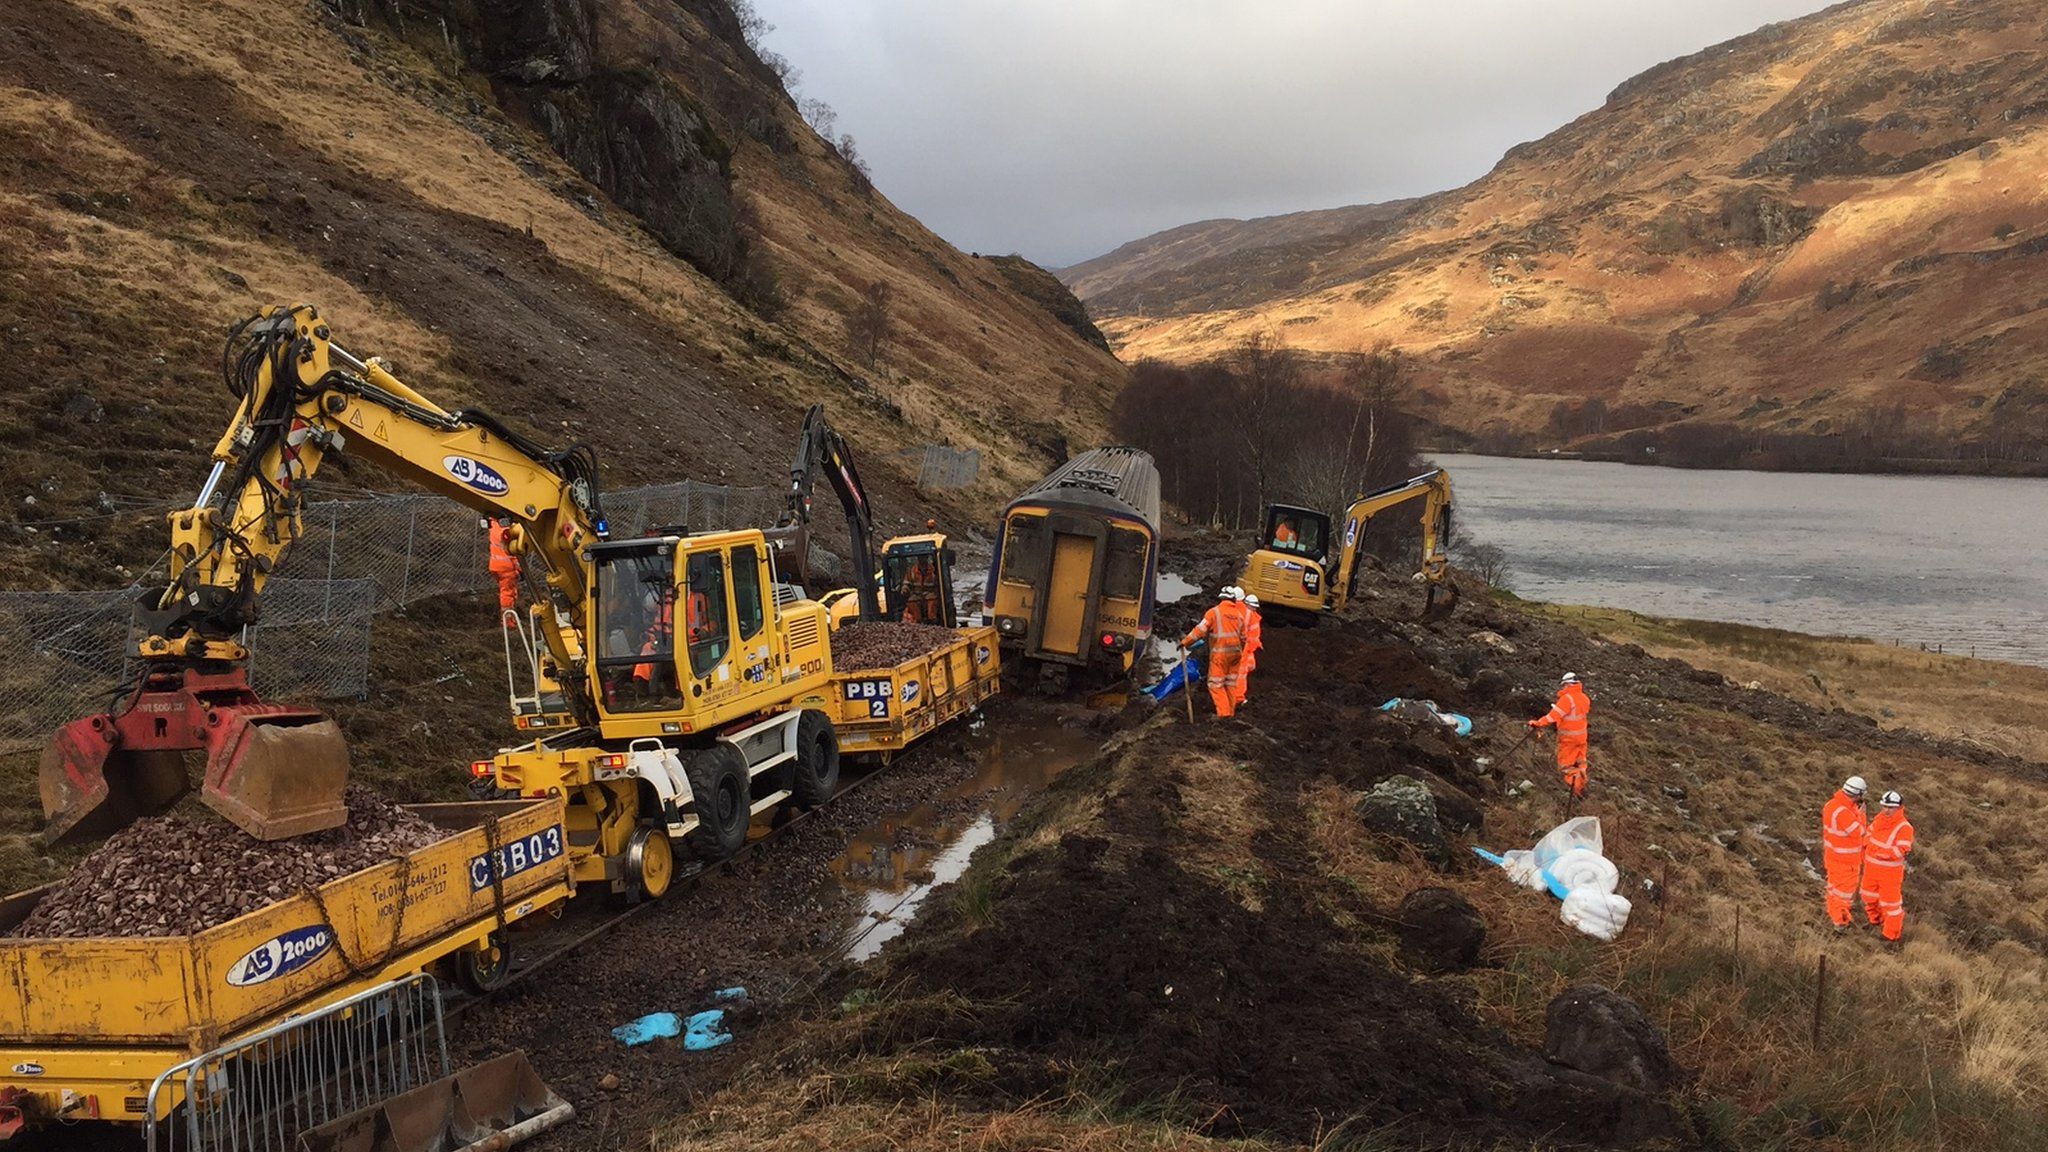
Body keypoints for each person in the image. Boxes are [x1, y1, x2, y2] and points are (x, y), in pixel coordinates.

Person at [1182, 586, 1251, 718]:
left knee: (1216, 685)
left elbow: (1200, 630)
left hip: (1220, 654)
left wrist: (1185, 642)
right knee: (1230, 684)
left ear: (1221, 598)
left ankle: (1224, 715)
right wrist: (1238, 651)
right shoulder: (1239, 616)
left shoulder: (1214, 612)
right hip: (1236, 655)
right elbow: (1244, 638)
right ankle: (1230, 714)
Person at [1861, 790, 1916, 942]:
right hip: (1871, 870)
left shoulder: (1904, 827)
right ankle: (1875, 921)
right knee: (1868, 896)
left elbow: (1901, 850)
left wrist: (1879, 852)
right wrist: (1873, 848)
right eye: (1884, 806)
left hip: (1889, 874)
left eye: (1890, 807)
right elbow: (1867, 837)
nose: (1886, 810)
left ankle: (1890, 936)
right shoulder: (1878, 820)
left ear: (1898, 808)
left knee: (1890, 905)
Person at [1528, 672, 1591, 797]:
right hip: (1582, 738)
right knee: (1581, 764)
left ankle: (1573, 794)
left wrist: (1538, 723)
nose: (1562, 688)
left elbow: (1553, 716)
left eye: (1564, 685)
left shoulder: (1566, 699)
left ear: (1568, 684)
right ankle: (1582, 788)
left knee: (1567, 767)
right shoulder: (1584, 698)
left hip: (1568, 740)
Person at [1820, 776, 1869, 929]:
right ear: (1858, 794)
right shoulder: (1844, 812)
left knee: (1833, 890)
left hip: (1832, 856)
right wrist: (1861, 815)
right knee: (1843, 895)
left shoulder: (1831, 805)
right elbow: (1859, 832)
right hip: (1846, 862)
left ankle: (1833, 914)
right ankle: (1840, 923)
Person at [1232, 594, 1264, 707]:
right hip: (1245, 648)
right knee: (1241, 673)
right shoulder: (1251, 617)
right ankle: (1236, 698)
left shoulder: (1235, 611)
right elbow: (1253, 636)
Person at [486, 519, 520, 620]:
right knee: (508, 592)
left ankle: (510, 615)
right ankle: (508, 619)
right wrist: (519, 569)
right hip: (506, 567)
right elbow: (513, 553)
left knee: (505, 589)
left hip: (495, 564)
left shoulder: (493, 525)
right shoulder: (509, 531)